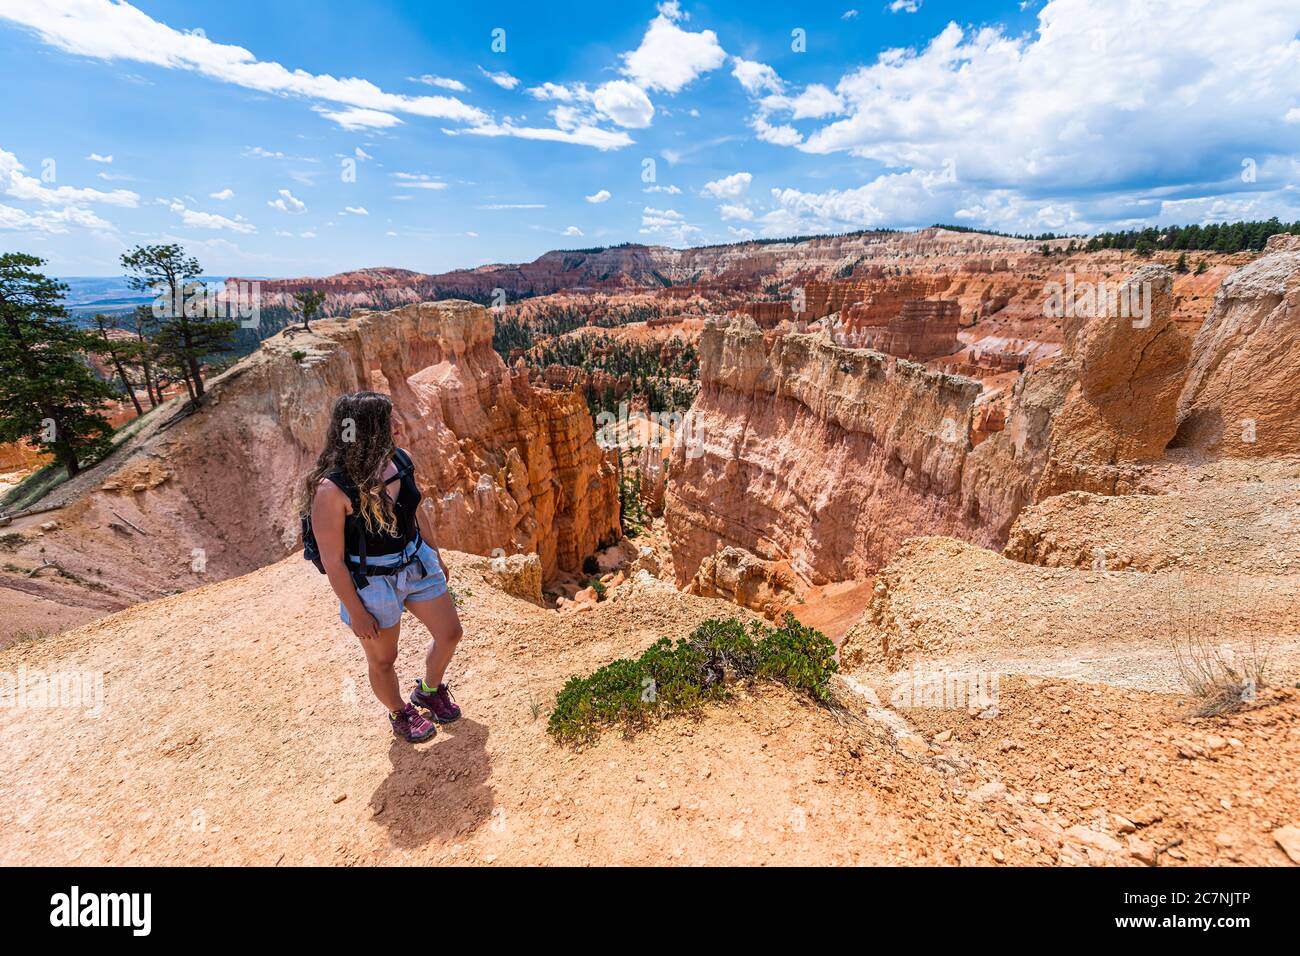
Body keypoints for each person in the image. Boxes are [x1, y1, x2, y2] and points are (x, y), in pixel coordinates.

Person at [302, 391, 462, 742]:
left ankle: (429, 691)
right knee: (384, 659)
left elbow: (416, 510)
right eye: (388, 421)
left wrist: (436, 555)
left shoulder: (400, 461)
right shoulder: (332, 489)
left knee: (450, 633)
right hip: (371, 580)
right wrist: (356, 611)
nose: (398, 425)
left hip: (415, 562)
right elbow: (332, 560)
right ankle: (399, 711)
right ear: (367, 429)